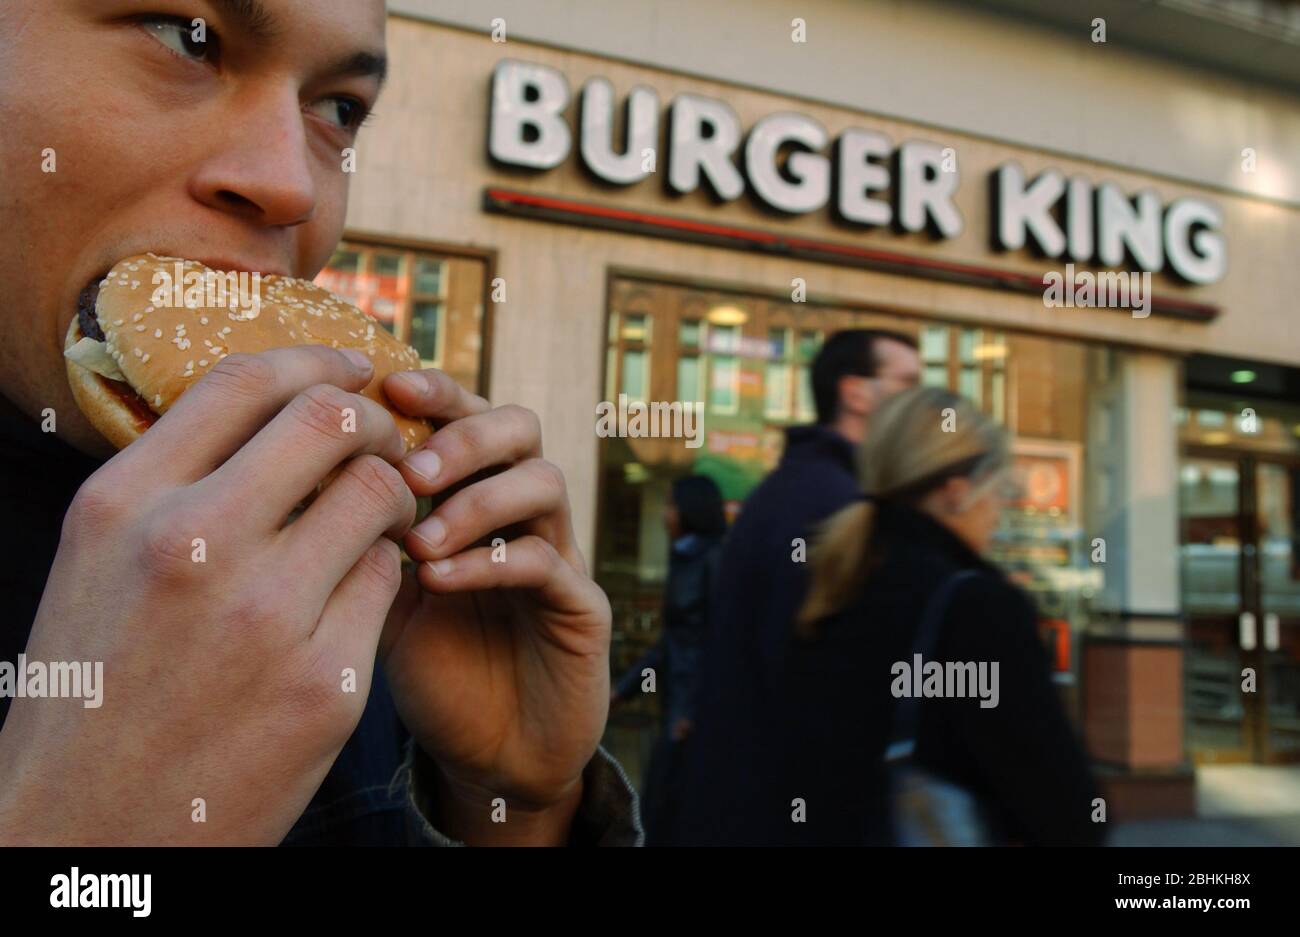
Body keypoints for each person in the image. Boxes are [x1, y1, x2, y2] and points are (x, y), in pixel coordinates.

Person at [0, 0, 639, 846]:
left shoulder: (348, 565)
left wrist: (515, 801)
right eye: (182, 37)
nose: (292, 186)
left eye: (338, 109)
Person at [783, 387, 1104, 846]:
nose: (999, 510)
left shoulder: (834, 587)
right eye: (998, 489)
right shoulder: (976, 609)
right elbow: (1065, 813)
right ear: (957, 492)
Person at [671, 329, 921, 844]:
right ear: (856, 393)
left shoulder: (801, 487)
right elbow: (817, 687)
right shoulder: (833, 505)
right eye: (908, 383)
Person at [611, 476, 725, 843]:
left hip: (691, 718)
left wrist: (692, 711)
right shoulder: (686, 557)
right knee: (659, 809)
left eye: (671, 506)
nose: (665, 515)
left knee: (668, 812)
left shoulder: (713, 560)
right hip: (675, 708)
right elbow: (670, 643)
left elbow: (717, 642)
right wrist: (623, 690)